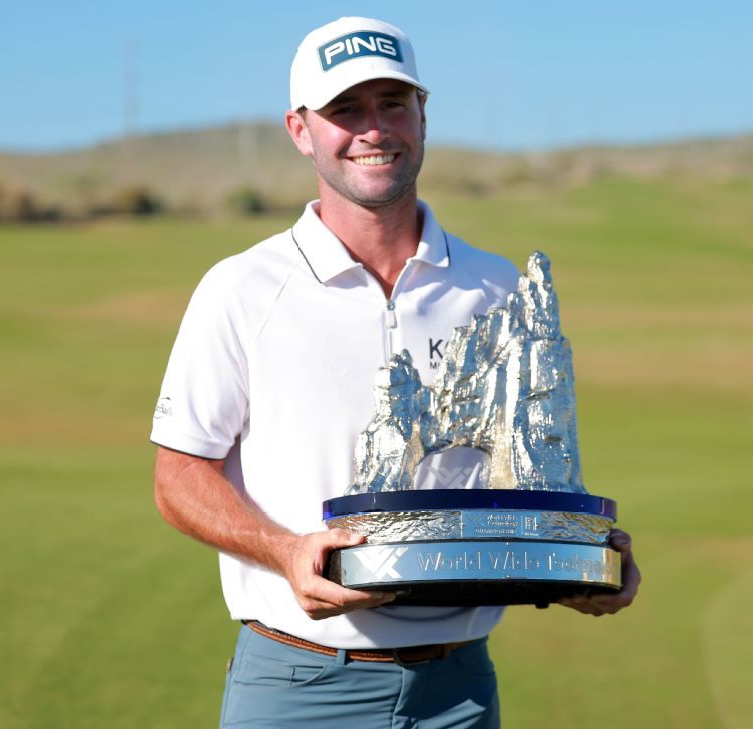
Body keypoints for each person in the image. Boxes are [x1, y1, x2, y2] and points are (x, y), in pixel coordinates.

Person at [150, 17, 640, 728]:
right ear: (299, 129)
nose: (374, 129)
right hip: (299, 684)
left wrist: (574, 557)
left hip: (459, 689)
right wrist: (285, 551)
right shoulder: (242, 288)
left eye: (392, 103)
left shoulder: (498, 286)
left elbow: (522, 470)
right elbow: (179, 477)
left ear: (422, 115)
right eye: (346, 109)